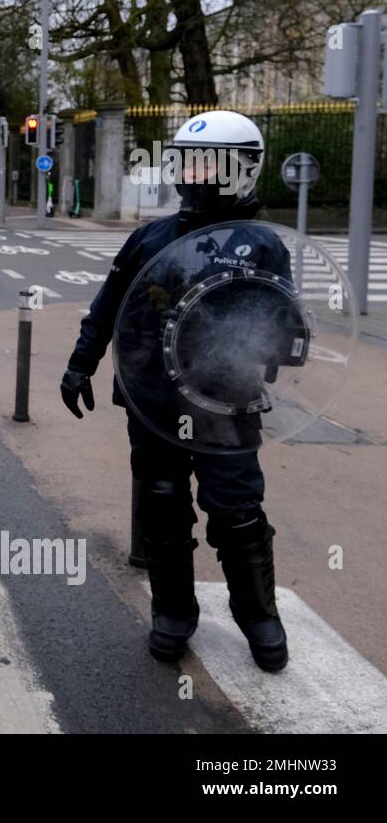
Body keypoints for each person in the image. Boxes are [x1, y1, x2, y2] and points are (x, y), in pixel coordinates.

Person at [59, 109, 289, 672]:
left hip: (225, 404)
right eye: (188, 160)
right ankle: (172, 611)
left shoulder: (261, 244)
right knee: (162, 505)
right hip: (153, 400)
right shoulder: (151, 238)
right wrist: (80, 363)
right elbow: (108, 306)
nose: (195, 173)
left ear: (242, 169)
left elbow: (279, 322)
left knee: (236, 511)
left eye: (209, 162)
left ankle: (259, 615)